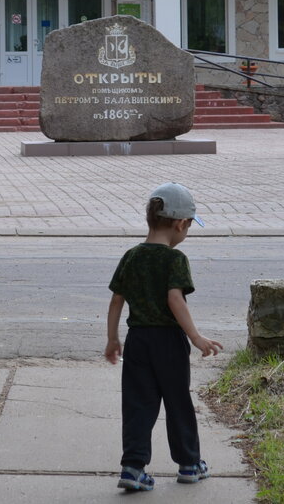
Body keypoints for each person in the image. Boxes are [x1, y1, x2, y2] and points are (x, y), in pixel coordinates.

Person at [104, 182, 223, 492]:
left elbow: (116, 300)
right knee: (177, 401)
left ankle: (133, 468)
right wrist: (195, 337)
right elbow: (175, 299)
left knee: (137, 404)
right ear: (180, 224)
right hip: (169, 342)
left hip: (137, 341)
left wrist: (112, 339)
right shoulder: (174, 259)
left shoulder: (131, 256)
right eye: (189, 226)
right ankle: (189, 464)